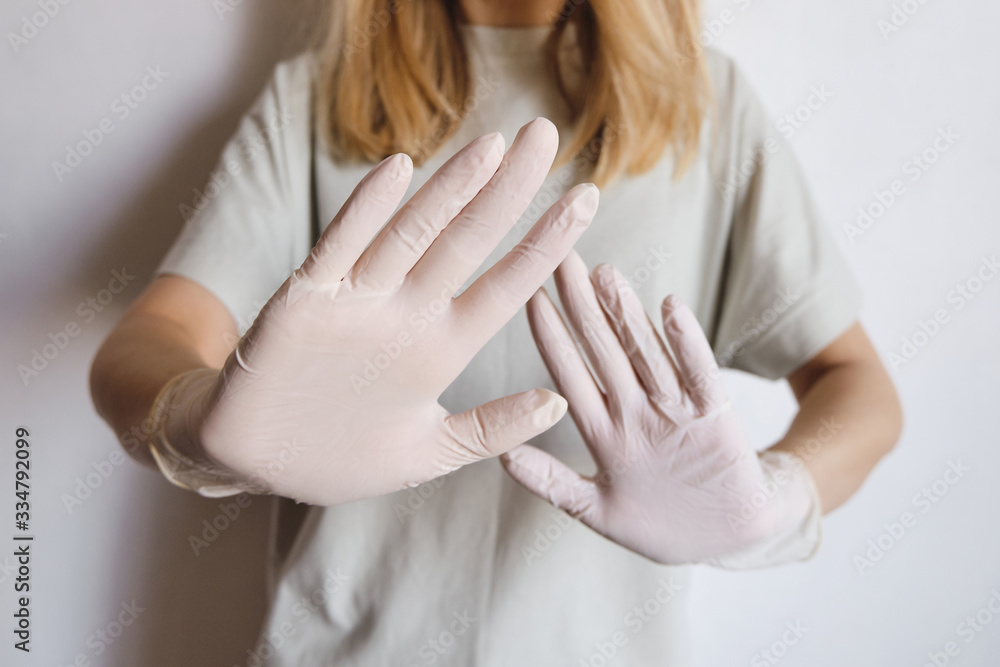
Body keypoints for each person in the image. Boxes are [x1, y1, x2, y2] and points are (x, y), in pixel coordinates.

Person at [89, 0, 903, 664]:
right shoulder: (318, 99)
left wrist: (775, 497)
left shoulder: (703, 106)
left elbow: (855, 382)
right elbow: (153, 333)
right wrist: (192, 423)